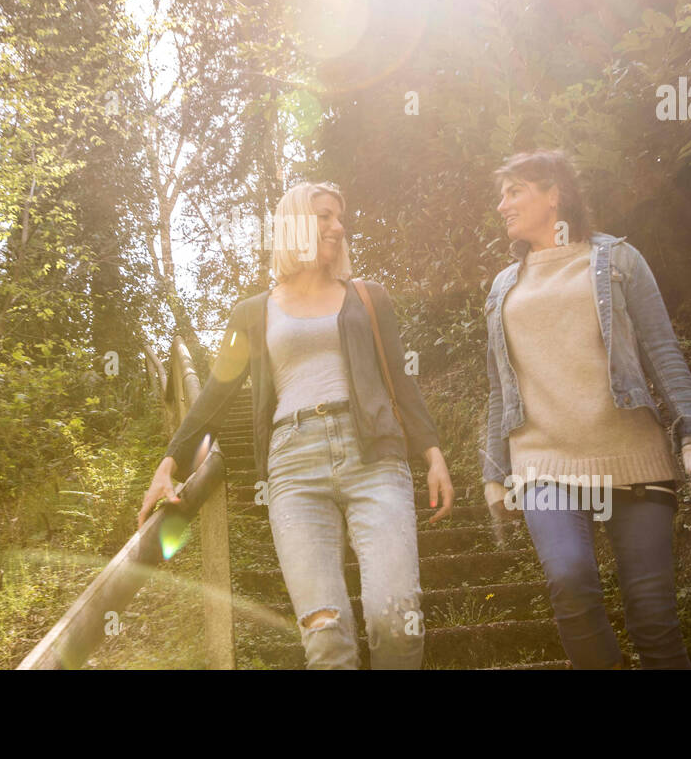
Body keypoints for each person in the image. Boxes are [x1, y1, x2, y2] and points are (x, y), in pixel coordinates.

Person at [138, 180, 454, 668]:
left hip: (375, 456)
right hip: (293, 465)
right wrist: (170, 463)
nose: (338, 226)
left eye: (340, 217)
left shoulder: (368, 298)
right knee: (326, 635)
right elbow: (215, 396)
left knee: (395, 616)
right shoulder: (252, 313)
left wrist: (432, 454)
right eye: (325, 216)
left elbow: (401, 380)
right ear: (296, 224)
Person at [482, 149, 691, 669]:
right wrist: (494, 469)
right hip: (542, 461)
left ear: (553, 193)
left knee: (654, 618)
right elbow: (498, 385)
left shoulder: (618, 260)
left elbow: (662, 352)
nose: (502, 204)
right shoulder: (503, 286)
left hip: (632, 457)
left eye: (514, 191)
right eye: (502, 194)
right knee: (571, 581)